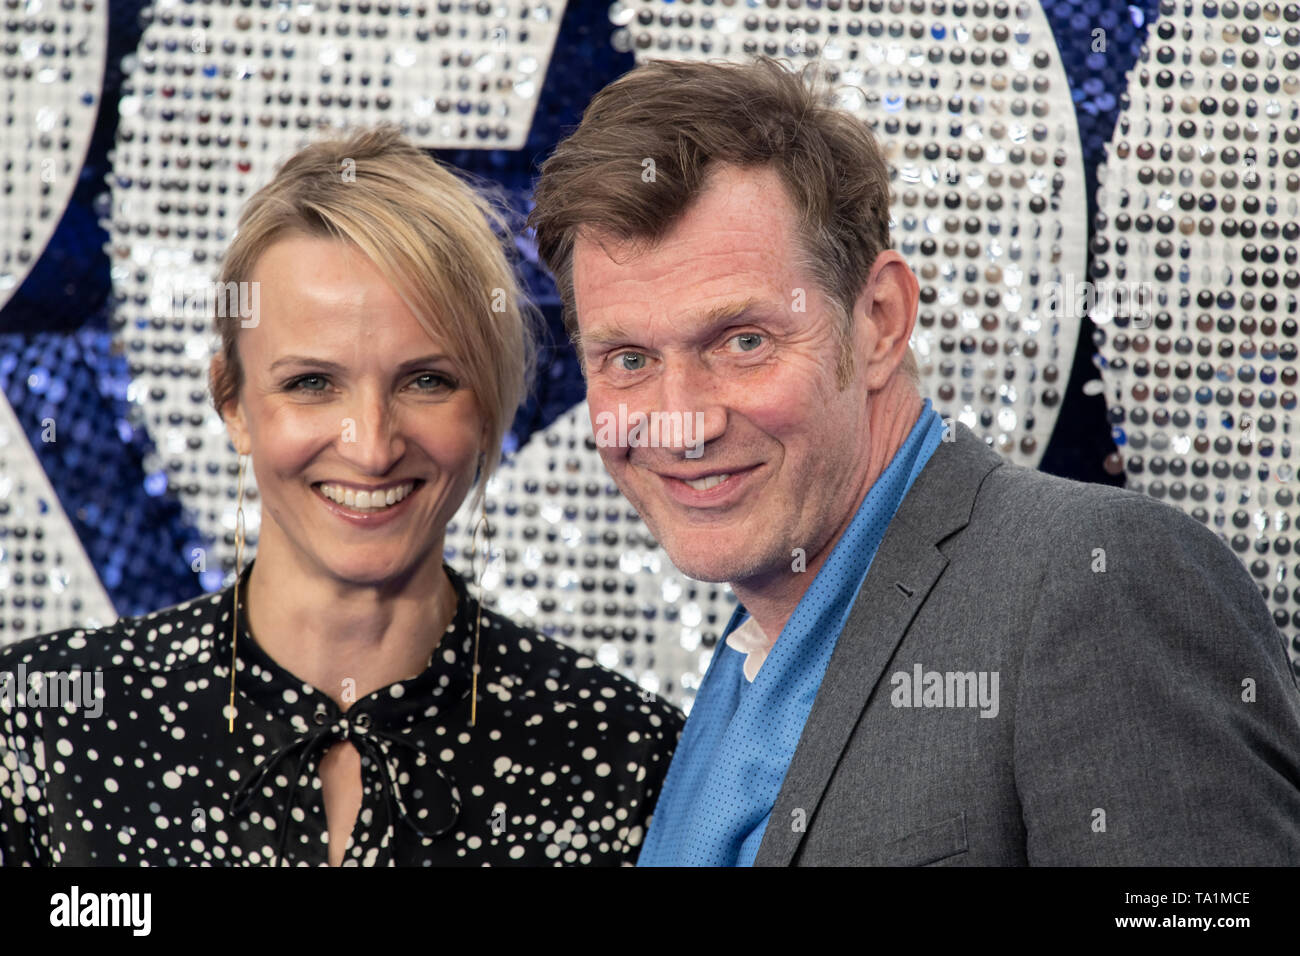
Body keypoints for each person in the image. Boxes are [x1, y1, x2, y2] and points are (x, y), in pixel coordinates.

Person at [526, 56, 1300, 865]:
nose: (681, 422)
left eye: (743, 341)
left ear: (881, 323)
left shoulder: (1097, 581)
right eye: (628, 359)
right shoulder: (751, 653)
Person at [0, 124, 683, 867]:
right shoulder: (40, 719)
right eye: (311, 384)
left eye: (427, 380)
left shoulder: (628, 757)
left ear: (488, 407)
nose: (371, 444)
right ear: (232, 404)